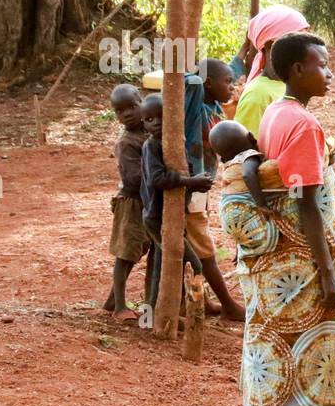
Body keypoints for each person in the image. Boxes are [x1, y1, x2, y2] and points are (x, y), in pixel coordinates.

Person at [219, 32, 335, 406]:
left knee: (274, 338)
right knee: (316, 340)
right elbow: (305, 201)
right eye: (322, 64)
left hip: (278, 259)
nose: (329, 72)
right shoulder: (303, 125)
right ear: (298, 71)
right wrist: (327, 272)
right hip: (300, 256)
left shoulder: (278, 113)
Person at [183, 59, 244, 320]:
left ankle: (202, 298)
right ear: (207, 84)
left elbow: (228, 71)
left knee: (194, 246)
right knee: (203, 246)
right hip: (190, 185)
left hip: (202, 187)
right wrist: (194, 76)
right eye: (228, 82)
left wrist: (242, 56)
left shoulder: (215, 105)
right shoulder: (195, 103)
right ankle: (227, 304)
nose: (232, 86)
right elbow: (191, 80)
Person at [139, 93, 210, 309]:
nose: (157, 122)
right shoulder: (152, 146)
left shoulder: (174, 142)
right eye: (150, 119)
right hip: (157, 217)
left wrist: (194, 183)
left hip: (172, 216)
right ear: (144, 124)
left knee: (164, 265)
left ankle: (158, 311)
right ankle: (184, 311)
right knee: (192, 264)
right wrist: (190, 182)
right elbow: (157, 179)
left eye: (162, 116)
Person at [103, 84, 152, 322]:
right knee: (125, 253)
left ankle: (113, 298)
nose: (128, 114)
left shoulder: (150, 132)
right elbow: (133, 178)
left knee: (137, 249)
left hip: (145, 201)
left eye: (132, 106)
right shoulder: (127, 143)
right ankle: (120, 306)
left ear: (141, 102)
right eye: (120, 111)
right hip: (132, 202)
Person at [232, 6, 310, 137]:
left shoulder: (287, 86)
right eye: (300, 43)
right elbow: (246, 152)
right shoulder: (257, 95)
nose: (307, 50)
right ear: (271, 45)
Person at [209, 119, 285, 210]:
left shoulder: (228, 164)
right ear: (251, 137)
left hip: (225, 208)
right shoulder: (249, 155)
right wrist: (261, 204)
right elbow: (248, 174)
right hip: (243, 209)